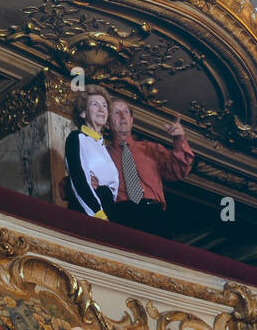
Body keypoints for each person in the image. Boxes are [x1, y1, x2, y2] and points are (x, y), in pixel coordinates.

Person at [106, 95, 193, 239]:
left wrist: (179, 140)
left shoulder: (151, 149)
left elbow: (179, 171)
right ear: (107, 123)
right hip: (122, 215)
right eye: (116, 112)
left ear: (132, 120)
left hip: (154, 214)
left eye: (126, 112)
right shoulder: (102, 154)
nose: (122, 116)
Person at [64, 91, 119, 220]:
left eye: (104, 106)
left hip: (108, 208)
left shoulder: (103, 146)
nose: (101, 109)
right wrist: (97, 213)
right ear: (83, 113)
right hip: (90, 210)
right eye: (95, 104)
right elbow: (78, 178)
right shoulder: (77, 137)